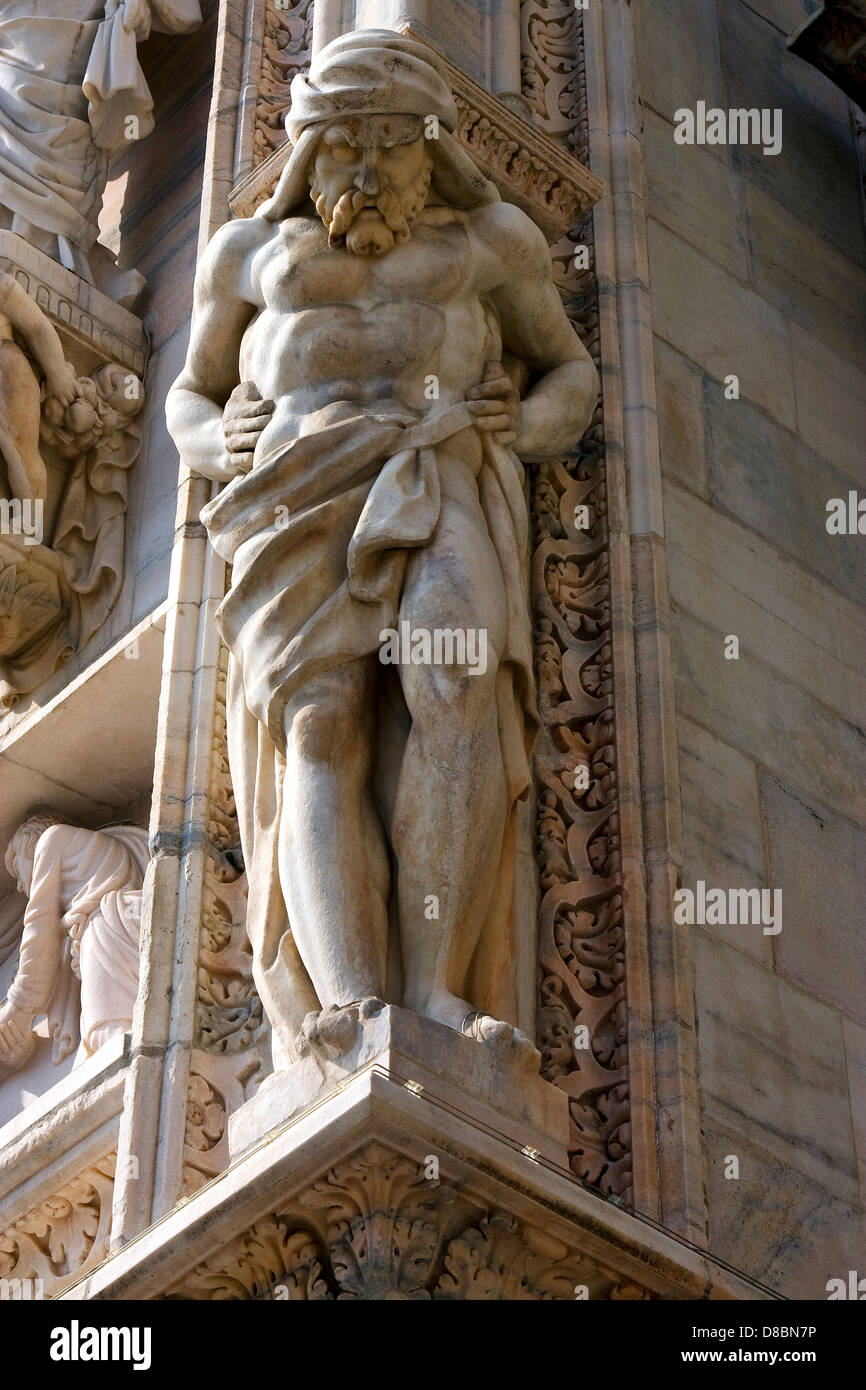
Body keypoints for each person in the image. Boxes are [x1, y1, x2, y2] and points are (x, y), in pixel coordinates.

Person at [167, 31, 600, 1069]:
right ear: (308, 149)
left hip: (432, 471)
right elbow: (191, 388)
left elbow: (568, 373)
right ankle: (352, 1003)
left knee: (451, 689)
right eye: (341, 148)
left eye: (388, 150)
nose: (362, 173)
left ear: (430, 152)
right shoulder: (246, 257)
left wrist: (522, 426)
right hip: (288, 497)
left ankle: (436, 988)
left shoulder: (490, 244)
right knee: (317, 727)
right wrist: (203, 437)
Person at [0, 815, 149, 1075]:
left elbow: (39, 929)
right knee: (104, 1051)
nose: (21, 886)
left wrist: (17, 1009)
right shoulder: (85, 858)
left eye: (18, 869)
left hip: (110, 930)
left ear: (31, 847)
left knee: (111, 1044)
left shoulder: (51, 839)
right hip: (123, 928)